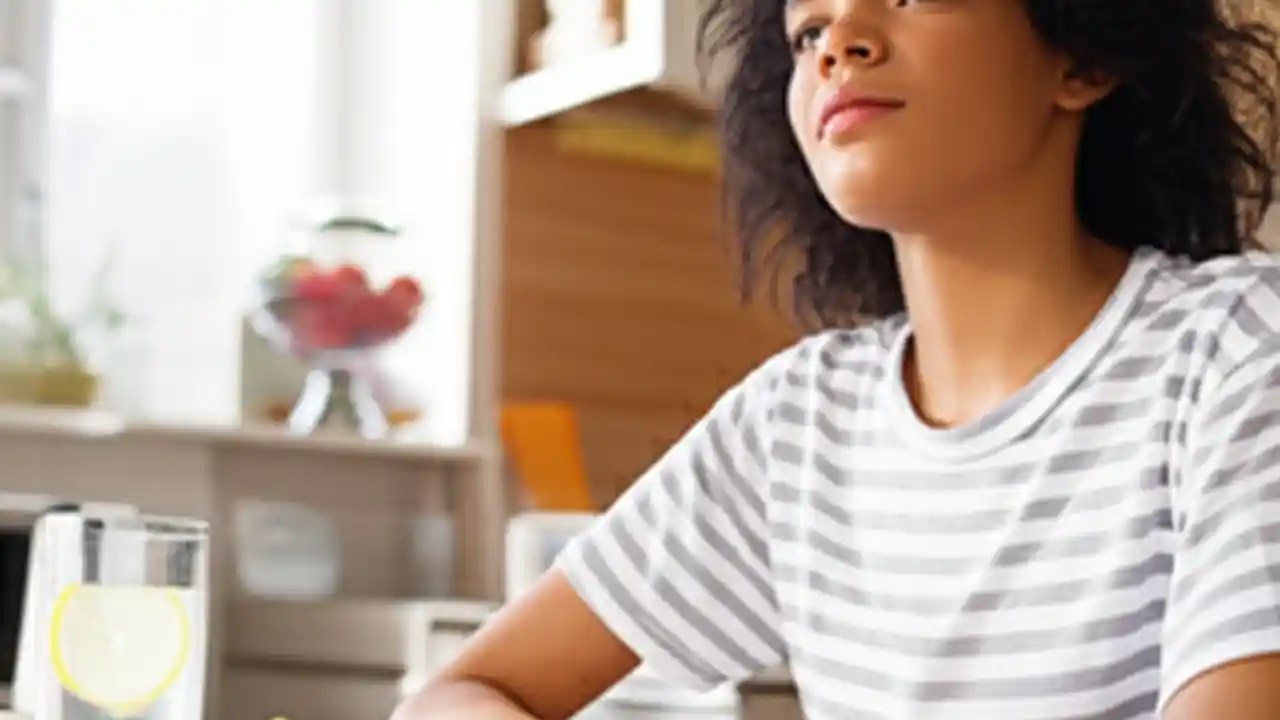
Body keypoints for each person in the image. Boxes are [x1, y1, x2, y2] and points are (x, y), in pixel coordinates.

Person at [396, 0, 1280, 717]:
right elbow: (461, 694)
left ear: (1083, 56)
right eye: (806, 30)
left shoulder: (1239, 351)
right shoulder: (796, 423)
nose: (838, 44)